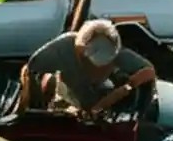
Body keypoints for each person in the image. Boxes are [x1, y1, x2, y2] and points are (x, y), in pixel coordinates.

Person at [22, 19, 157, 114]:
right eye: (93, 65)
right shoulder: (62, 49)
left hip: (101, 102)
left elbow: (148, 71)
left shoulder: (119, 54)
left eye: (105, 65)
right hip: (67, 98)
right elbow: (31, 69)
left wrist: (125, 88)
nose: (98, 70)